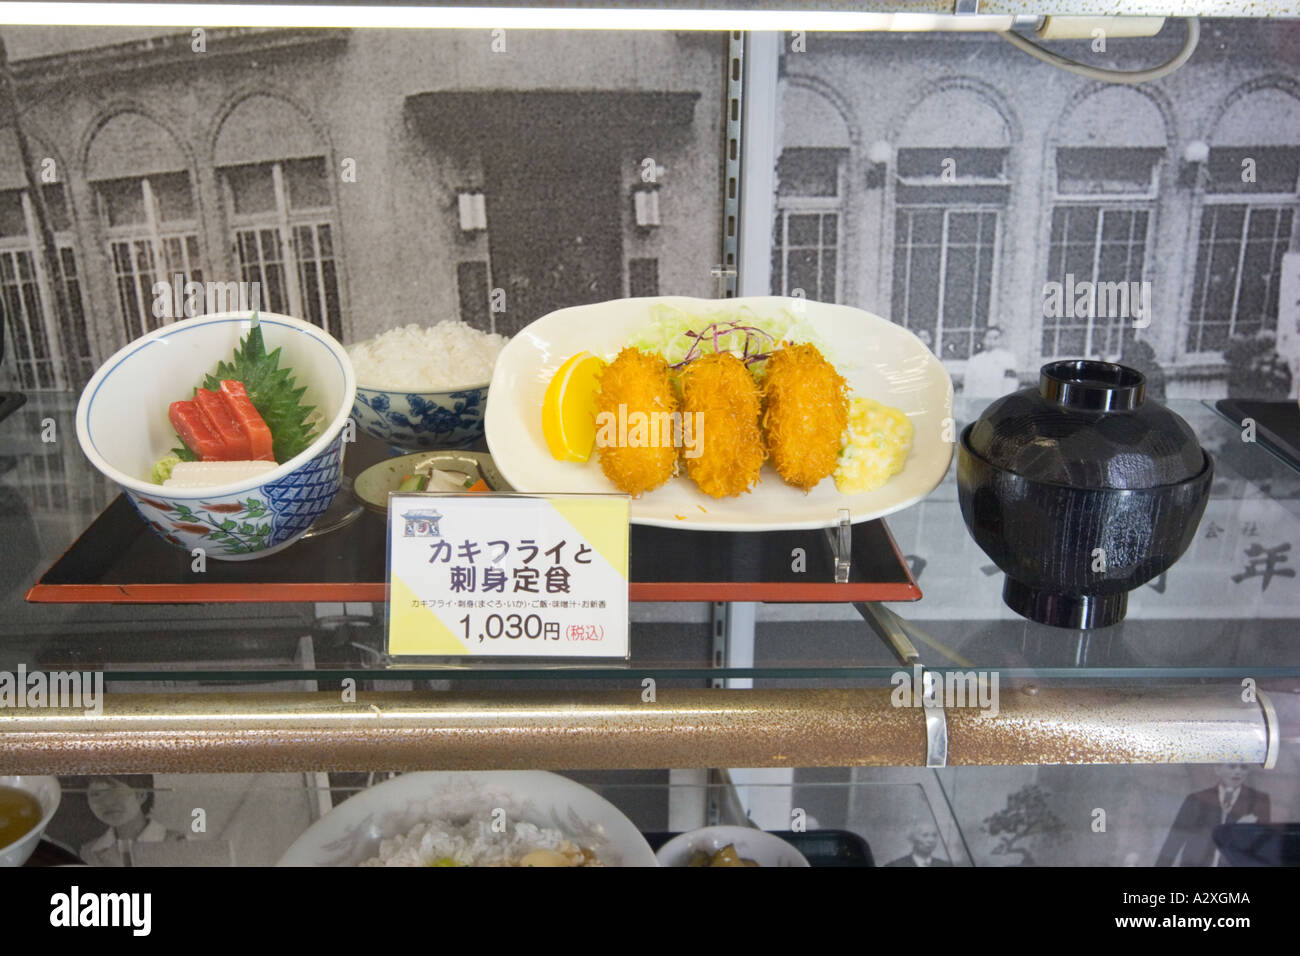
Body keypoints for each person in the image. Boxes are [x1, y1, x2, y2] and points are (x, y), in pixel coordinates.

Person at [1155, 763, 1270, 866]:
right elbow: (1174, 839)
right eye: (1231, 766)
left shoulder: (1258, 800)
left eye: (1243, 767)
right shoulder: (1197, 799)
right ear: (1217, 769)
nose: (1238, 772)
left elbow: (1264, 843)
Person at [79, 774, 184, 867]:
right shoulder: (88, 853)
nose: (107, 802)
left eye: (116, 792)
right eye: (96, 794)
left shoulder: (181, 843)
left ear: (141, 795)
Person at [962, 325, 1019, 397]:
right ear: (983, 340)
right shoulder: (974, 360)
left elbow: (1011, 383)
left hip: (998, 400)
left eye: (995, 338)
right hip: (978, 400)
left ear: (1000, 340)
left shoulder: (1008, 359)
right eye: (988, 338)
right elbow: (968, 384)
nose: (991, 341)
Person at [885, 821, 952, 867]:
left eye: (934, 835)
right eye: (925, 835)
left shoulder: (945, 865)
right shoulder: (895, 865)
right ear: (912, 839)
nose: (931, 840)